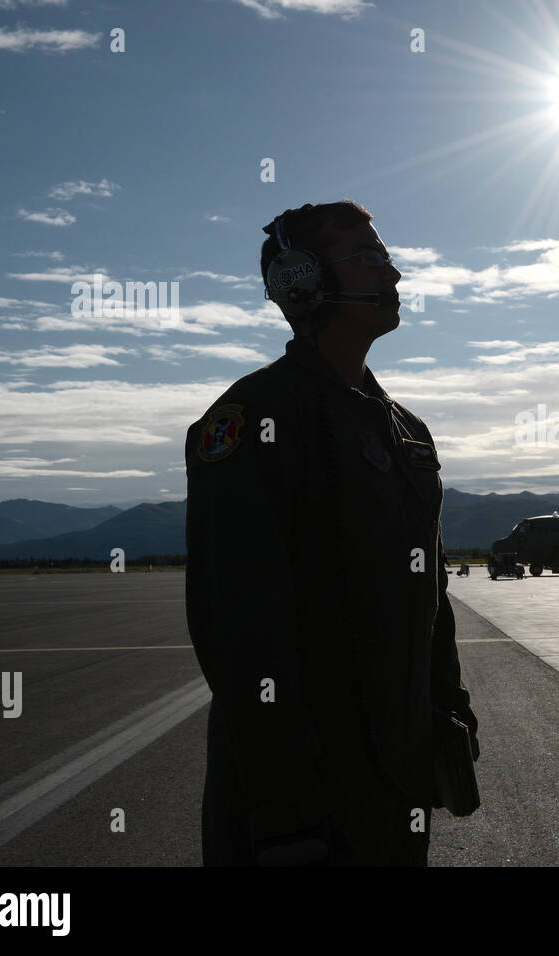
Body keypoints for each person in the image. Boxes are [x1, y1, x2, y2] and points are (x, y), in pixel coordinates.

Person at [184, 199, 479, 866]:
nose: (394, 273)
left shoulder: (405, 432)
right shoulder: (254, 419)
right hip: (299, 807)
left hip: (395, 789)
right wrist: (287, 814)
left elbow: (428, 597)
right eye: (370, 259)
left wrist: (450, 711)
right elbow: (238, 629)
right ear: (302, 280)